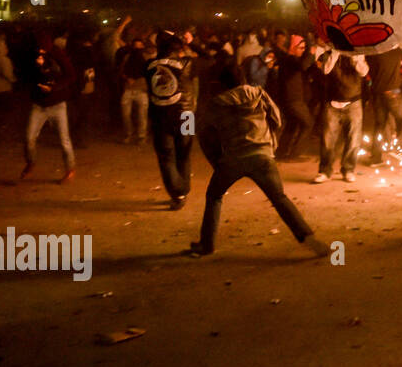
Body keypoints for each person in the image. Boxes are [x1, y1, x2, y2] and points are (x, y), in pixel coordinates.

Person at [190, 66, 328, 258]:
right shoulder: (258, 94)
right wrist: (270, 141)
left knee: (214, 197)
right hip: (262, 155)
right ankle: (309, 238)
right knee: (280, 199)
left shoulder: (215, 104)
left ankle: (207, 245)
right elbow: (277, 118)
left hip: (232, 159)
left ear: (222, 83)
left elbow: (205, 136)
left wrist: (217, 162)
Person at [145, 31, 196, 210]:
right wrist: (189, 42)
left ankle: (178, 194)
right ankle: (183, 191)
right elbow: (211, 57)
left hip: (161, 116)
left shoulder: (149, 65)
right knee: (185, 153)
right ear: (177, 46)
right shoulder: (187, 63)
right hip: (187, 116)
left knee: (166, 157)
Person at [22, 42, 76, 183]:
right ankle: (31, 163)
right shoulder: (32, 57)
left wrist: (54, 87)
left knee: (64, 140)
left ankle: (70, 169)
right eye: (38, 48)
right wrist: (37, 67)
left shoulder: (58, 57)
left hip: (57, 105)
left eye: (43, 48)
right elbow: (27, 78)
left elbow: (70, 76)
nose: (40, 51)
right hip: (39, 105)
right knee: (29, 138)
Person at [314, 47, 368, 183]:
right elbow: (325, 70)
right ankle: (325, 171)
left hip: (353, 102)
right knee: (327, 140)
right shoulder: (327, 53)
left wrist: (355, 60)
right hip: (331, 102)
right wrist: (336, 53)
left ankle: (348, 170)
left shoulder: (357, 51)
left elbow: (364, 72)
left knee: (354, 139)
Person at [367, 45, 402, 165]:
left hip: (377, 92)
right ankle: (398, 147)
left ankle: (375, 159)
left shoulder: (372, 54)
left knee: (380, 125)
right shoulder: (395, 51)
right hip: (392, 93)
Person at [275, 36, 316, 160]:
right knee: (308, 123)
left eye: (304, 48)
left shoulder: (290, 60)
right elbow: (303, 66)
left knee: (291, 125)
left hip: (291, 99)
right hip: (293, 99)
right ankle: (295, 153)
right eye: (301, 48)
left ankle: (281, 153)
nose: (303, 50)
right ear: (293, 47)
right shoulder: (289, 60)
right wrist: (311, 53)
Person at [116, 37, 149, 143]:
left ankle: (141, 136)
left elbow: (148, 72)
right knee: (125, 115)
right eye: (135, 46)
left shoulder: (146, 58)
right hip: (128, 89)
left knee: (142, 115)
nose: (137, 48)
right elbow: (121, 71)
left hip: (141, 89)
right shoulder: (127, 57)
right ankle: (128, 134)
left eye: (139, 45)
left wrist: (136, 78)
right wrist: (127, 78)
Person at [0, 34, 17, 143]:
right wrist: (13, 80)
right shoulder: (3, 59)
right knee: (4, 112)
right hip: (2, 90)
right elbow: (7, 74)